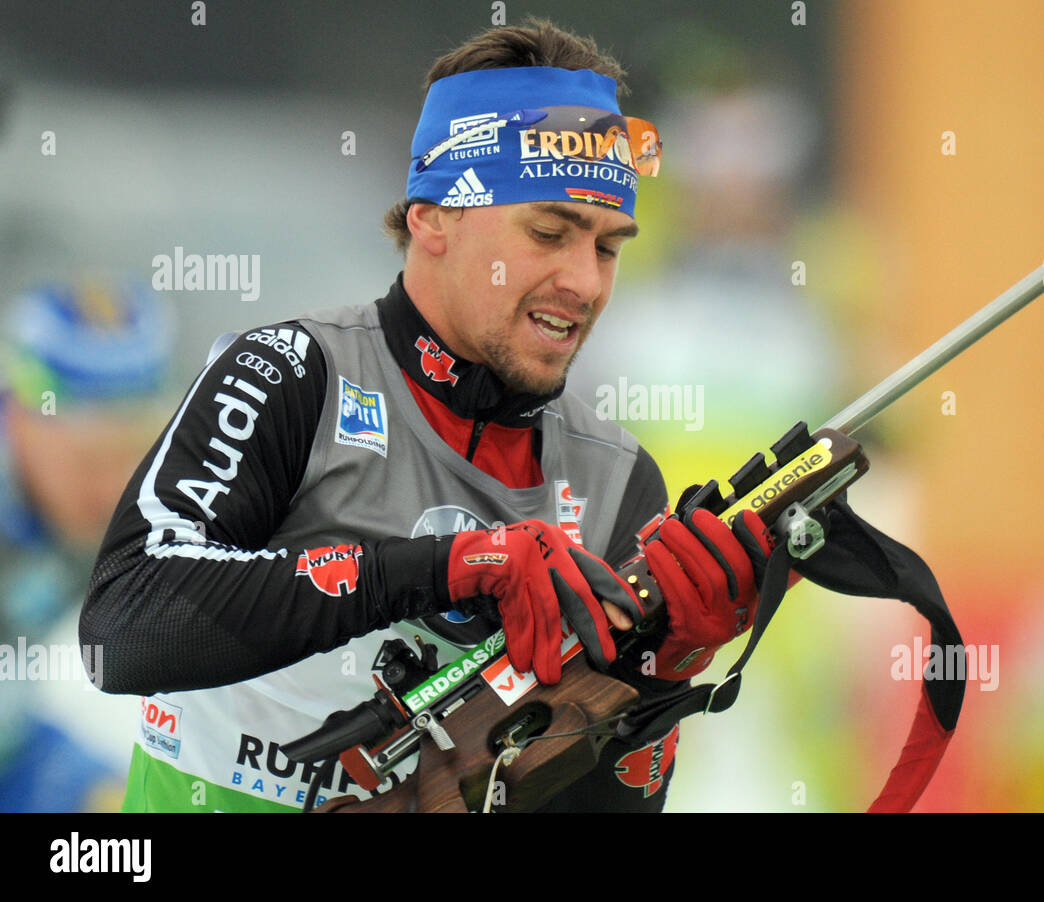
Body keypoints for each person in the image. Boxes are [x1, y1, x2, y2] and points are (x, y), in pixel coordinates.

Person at [81, 18, 773, 813]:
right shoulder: (292, 375)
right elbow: (121, 632)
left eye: (608, 247)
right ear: (432, 216)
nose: (585, 283)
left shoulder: (613, 481)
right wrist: (440, 569)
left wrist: (664, 672)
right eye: (549, 232)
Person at [0, 278, 173, 811]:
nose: (113, 489)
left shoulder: (61, 513)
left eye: (135, 457)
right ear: (20, 413)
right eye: (92, 459)